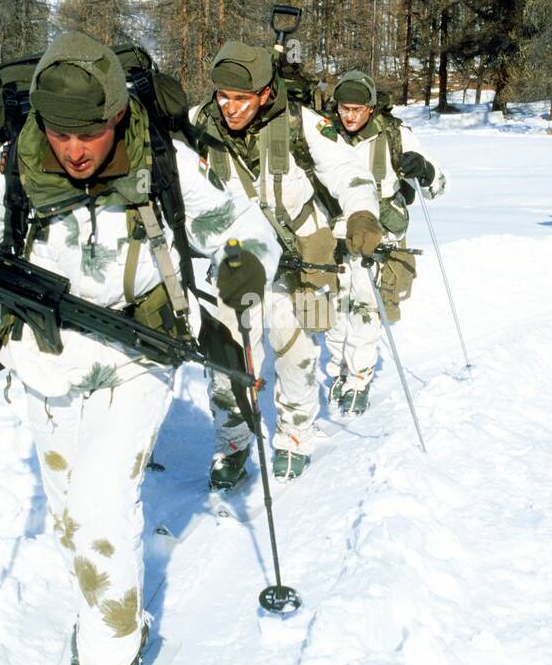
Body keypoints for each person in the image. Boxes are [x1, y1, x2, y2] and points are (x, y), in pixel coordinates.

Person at [0, 32, 278, 665]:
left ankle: (112, 659)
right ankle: (102, 608)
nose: (75, 149)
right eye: (61, 132)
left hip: (138, 352)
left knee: (103, 499)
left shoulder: (163, 159)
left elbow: (243, 227)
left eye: (91, 133)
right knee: (72, 512)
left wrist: (241, 265)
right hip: (43, 355)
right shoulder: (15, 162)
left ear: (117, 115)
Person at [191, 41, 381, 482]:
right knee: (226, 359)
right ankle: (233, 442)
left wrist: (361, 212)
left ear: (262, 93)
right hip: (238, 258)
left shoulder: (301, 123)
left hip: (303, 259)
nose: (229, 107)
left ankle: (295, 434)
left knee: (296, 352)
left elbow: (348, 171)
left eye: (240, 98)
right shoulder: (199, 124)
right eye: (222, 96)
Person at [323, 70, 446, 413]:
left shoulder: (395, 135)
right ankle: (338, 370)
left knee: (364, 308)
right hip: (334, 233)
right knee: (332, 311)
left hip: (379, 234)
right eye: (344, 108)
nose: (349, 116)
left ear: (372, 108)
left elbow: (438, 183)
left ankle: (359, 377)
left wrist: (423, 169)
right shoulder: (323, 132)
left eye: (357, 109)